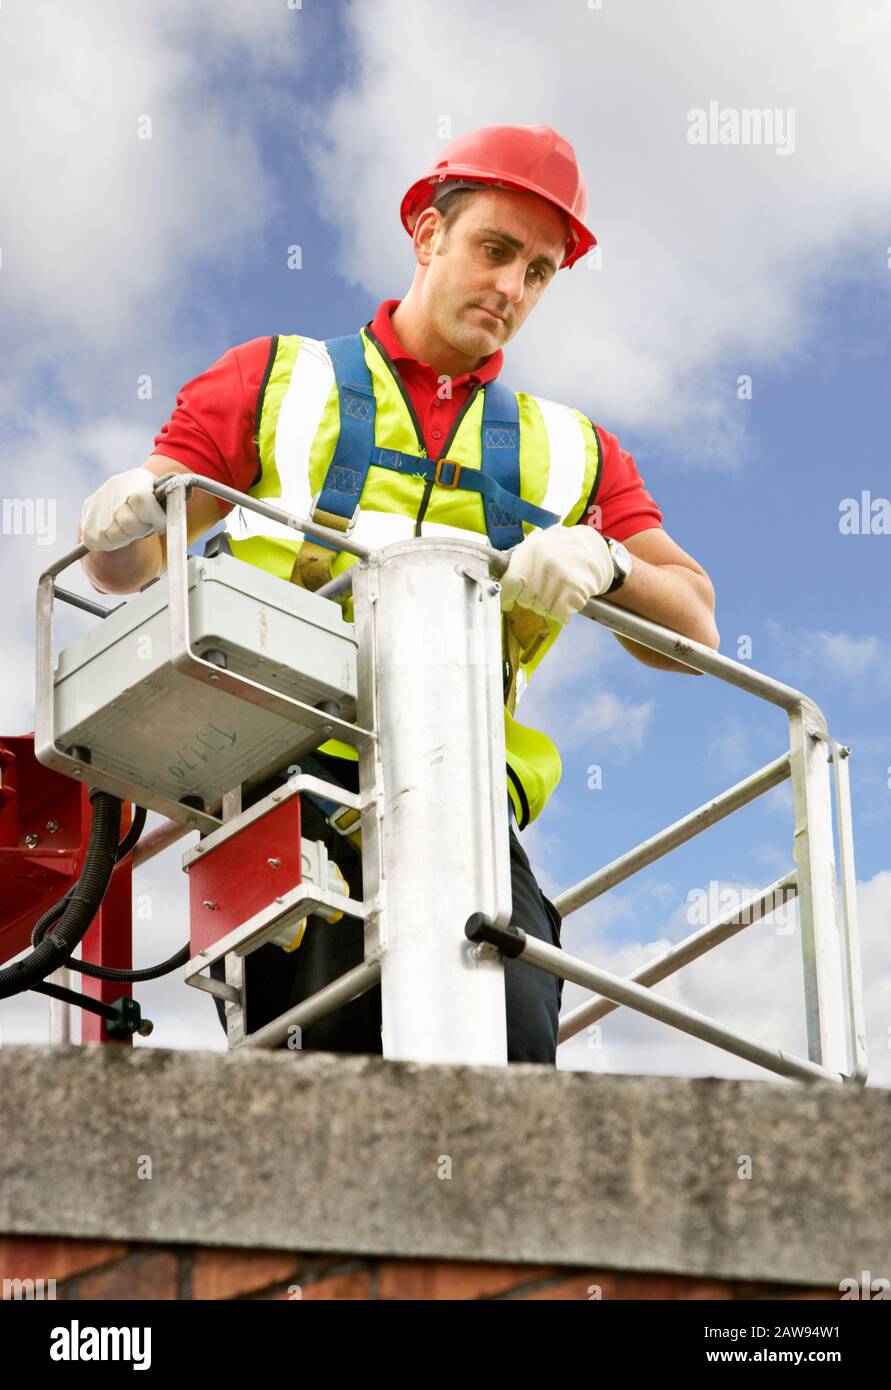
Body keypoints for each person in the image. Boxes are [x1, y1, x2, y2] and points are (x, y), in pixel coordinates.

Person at [77, 124, 720, 1065]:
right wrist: (122, 520)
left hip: (469, 805)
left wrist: (610, 565)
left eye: (538, 273)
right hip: (284, 779)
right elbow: (131, 569)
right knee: (330, 1063)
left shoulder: (573, 450)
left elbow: (694, 625)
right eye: (494, 251)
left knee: (512, 1048)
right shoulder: (276, 380)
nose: (511, 288)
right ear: (426, 233)